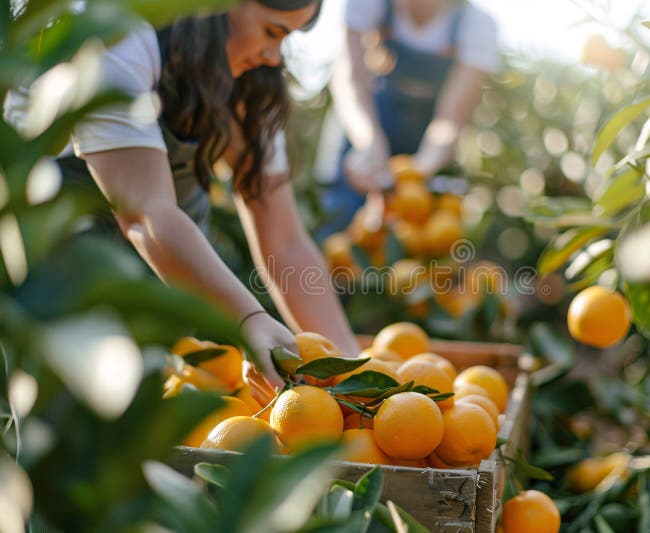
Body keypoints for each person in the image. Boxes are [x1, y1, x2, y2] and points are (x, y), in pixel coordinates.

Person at [4, 0, 361, 392]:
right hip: (57, 289)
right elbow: (144, 213)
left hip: (158, 306)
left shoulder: (250, 87)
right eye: (271, 32)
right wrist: (248, 319)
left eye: (286, 39)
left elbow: (286, 241)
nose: (274, 57)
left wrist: (349, 368)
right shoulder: (121, 37)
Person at [316, 0, 500, 238]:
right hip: (365, 122)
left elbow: (451, 118)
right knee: (340, 231)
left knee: (414, 241)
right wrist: (368, 141)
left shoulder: (477, 24)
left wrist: (421, 168)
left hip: (425, 139)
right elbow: (351, 81)